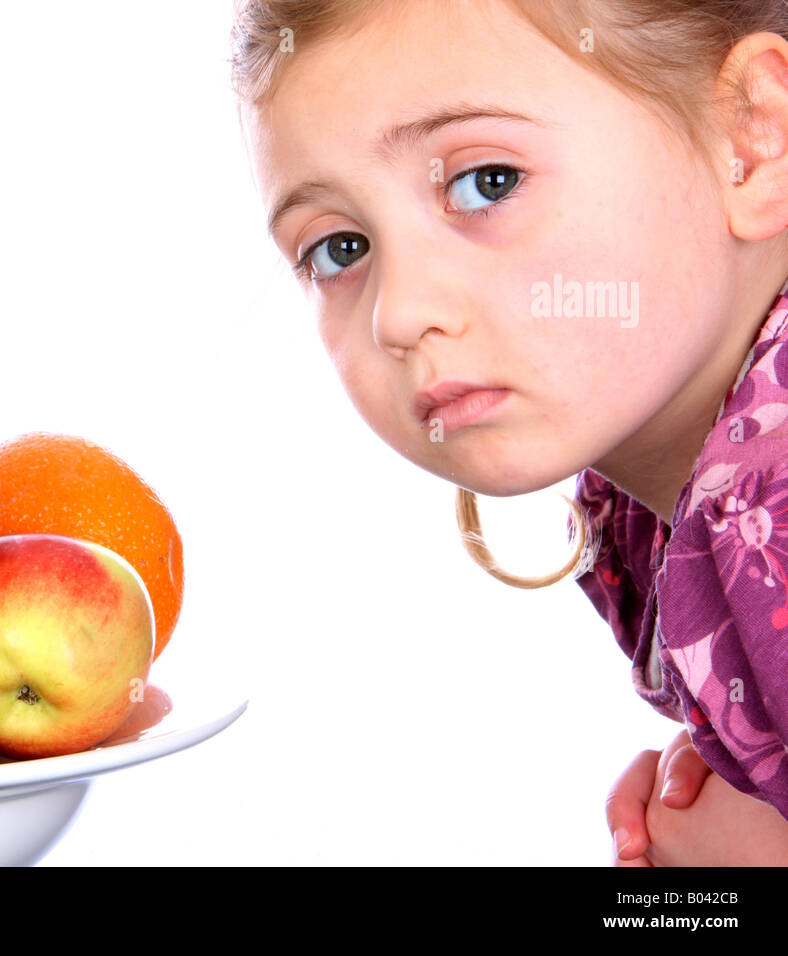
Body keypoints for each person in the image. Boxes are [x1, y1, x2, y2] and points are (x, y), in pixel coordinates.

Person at [232, 0, 788, 865]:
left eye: (486, 182)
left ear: (751, 141)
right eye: (339, 249)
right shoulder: (672, 489)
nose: (402, 313)